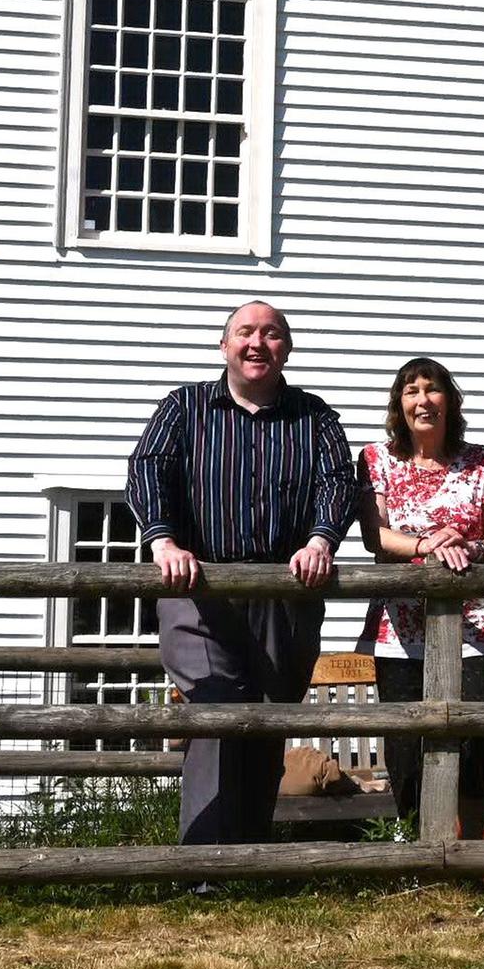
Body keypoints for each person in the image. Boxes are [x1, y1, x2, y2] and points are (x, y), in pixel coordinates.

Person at [125, 301, 360, 845]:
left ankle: (249, 855)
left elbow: (338, 483)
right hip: (198, 584)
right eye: (246, 333)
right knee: (218, 704)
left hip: (284, 590)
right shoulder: (184, 407)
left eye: (272, 334)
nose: (258, 343)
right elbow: (147, 468)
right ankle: (204, 860)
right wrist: (162, 540)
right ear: (224, 345)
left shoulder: (315, 416)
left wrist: (321, 539)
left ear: (287, 349)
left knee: (269, 716)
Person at [356, 356, 484, 838]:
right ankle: (415, 845)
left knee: (471, 741)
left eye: (432, 389)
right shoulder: (376, 459)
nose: (423, 400)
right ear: (398, 405)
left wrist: (467, 546)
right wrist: (428, 546)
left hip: (473, 627)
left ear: (450, 400)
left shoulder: (482, 459)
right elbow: (375, 536)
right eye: (411, 391)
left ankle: (468, 845)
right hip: (400, 629)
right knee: (405, 745)